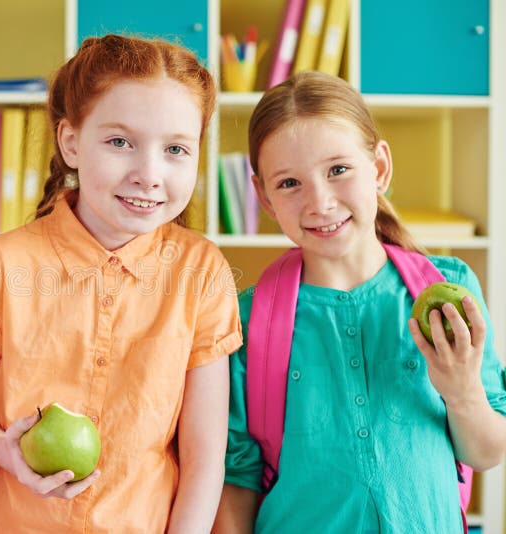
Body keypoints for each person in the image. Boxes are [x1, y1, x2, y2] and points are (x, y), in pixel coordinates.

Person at [0, 34, 242, 533]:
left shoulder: (203, 272)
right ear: (71, 143)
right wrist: (7, 449)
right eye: (120, 142)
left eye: (176, 149)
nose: (149, 174)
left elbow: (204, 458)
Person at [214, 71, 506, 533]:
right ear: (264, 198)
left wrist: (462, 390)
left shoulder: (449, 290)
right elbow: (238, 478)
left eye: (338, 170)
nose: (320, 202)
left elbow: (488, 452)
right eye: (289, 183)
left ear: (380, 168)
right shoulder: (245, 320)